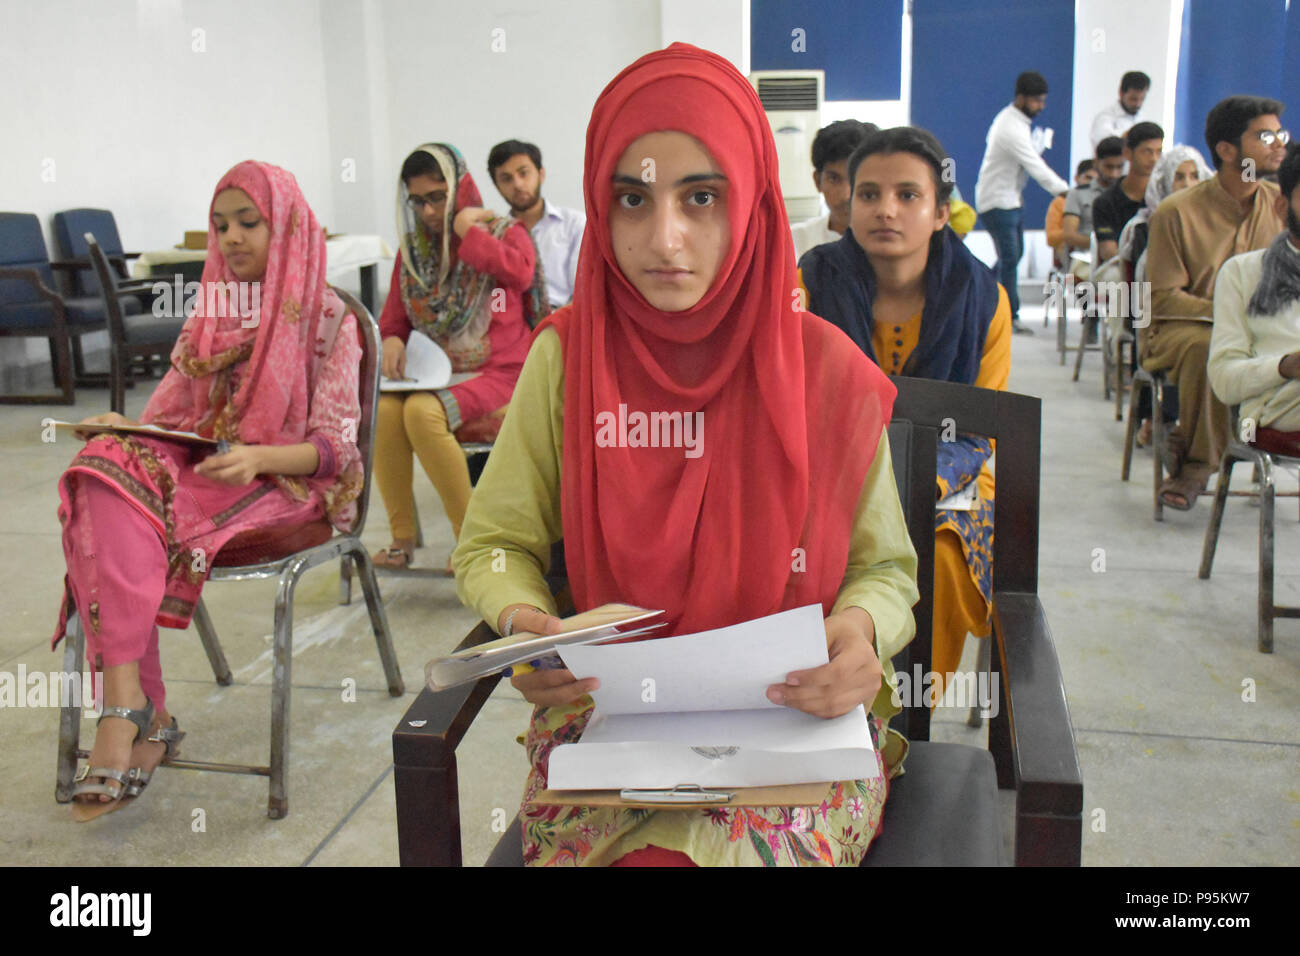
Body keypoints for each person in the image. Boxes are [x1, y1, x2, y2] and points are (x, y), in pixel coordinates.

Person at [452, 43, 919, 867]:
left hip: (795, 731)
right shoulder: (568, 361)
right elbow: (494, 545)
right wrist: (528, 628)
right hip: (613, 724)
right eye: (633, 198)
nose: (664, 238)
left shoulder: (827, 372)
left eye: (700, 197)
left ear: (754, 205)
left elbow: (887, 573)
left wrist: (857, 632)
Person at [54, 161, 366, 820]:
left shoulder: (329, 318)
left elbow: (337, 450)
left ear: (285, 225)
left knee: (121, 494)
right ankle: (132, 699)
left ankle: (135, 716)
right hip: (209, 469)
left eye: (248, 222)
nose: (231, 238)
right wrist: (124, 425)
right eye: (221, 225)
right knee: (102, 465)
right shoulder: (213, 312)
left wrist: (258, 456)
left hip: (284, 483)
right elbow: (169, 418)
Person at [798, 126, 1010, 700]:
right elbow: (789, 409)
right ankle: (821, 690)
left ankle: (907, 711)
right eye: (868, 194)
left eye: (907, 195)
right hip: (829, 474)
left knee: (942, 553)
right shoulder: (808, 284)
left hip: (953, 477)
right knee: (802, 548)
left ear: (942, 211)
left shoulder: (983, 299)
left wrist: (908, 485)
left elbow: (979, 430)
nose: (884, 210)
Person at [372, 144, 548, 570]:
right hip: (437, 372)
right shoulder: (414, 253)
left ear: (460, 190)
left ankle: (471, 540)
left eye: (438, 197)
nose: (430, 211)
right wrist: (392, 339)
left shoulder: (502, 231)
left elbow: (520, 274)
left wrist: (471, 234)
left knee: (421, 413)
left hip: (501, 370)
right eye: (419, 200)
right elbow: (394, 316)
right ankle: (402, 538)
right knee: (387, 411)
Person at [1142, 96, 1288, 510]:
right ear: (1227, 151)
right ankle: (1196, 465)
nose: (1278, 144)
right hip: (1180, 329)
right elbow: (1163, 298)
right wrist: (1229, 316)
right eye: (1265, 136)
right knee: (1211, 347)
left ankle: (1267, 446)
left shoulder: (1281, 206)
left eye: (1281, 134)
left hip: (1259, 328)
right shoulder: (1176, 212)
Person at [1209, 142, 1300, 455]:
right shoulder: (1243, 273)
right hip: (1273, 406)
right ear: (1282, 207)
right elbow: (1223, 380)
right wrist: (1285, 366)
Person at [1120, 145, 1212, 447]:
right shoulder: (1145, 228)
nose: (1188, 185)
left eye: (1195, 176)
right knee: (1195, 345)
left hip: (1207, 319)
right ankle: (1175, 429)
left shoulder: (1214, 227)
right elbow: (1142, 309)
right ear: (1164, 183)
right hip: (1159, 324)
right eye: (1180, 177)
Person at [975, 71, 1071, 335]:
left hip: (1010, 199)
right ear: (1021, 98)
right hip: (997, 201)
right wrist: (1065, 191)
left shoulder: (1017, 122)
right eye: (1037, 101)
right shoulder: (1009, 126)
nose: (1041, 106)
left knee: (1013, 256)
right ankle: (1009, 315)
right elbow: (1034, 165)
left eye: (1043, 100)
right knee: (1009, 258)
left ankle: (983, 295)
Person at [487, 139, 586, 308]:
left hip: (562, 321)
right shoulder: (494, 237)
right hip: (513, 325)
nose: (517, 184)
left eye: (523, 173)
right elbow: (497, 299)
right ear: (497, 186)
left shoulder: (574, 225)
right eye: (506, 179)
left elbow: (583, 290)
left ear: (541, 174)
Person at [790, 119, 876, 259]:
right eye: (834, 179)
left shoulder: (894, 244)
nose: (846, 195)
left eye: (855, 179)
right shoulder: (794, 242)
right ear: (818, 181)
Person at [1093, 121, 1165, 264]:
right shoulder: (1105, 202)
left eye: (1158, 152)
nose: (1154, 159)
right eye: (1147, 151)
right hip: (1122, 271)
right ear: (1127, 153)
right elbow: (1109, 252)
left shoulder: (1165, 196)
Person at [1061, 138, 1125, 278]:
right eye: (1109, 167)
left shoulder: (1129, 194)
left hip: (1125, 258)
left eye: (1119, 167)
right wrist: (1102, 244)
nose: (1114, 174)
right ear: (1097, 163)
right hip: (1087, 258)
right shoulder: (1078, 194)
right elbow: (1069, 235)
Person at [1046, 159, 1096, 258]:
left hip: (1096, 254)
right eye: (1088, 178)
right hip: (1070, 257)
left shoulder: (1104, 202)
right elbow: (1051, 238)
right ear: (1076, 178)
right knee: (1072, 269)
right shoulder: (1061, 201)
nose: (1091, 184)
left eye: (1096, 180)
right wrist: (1072, 231)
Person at [1090, 70, 1151, 149]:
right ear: (1121, 93)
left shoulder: (1142, 118)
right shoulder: (1104, 118)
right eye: (1133, 99)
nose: (1138, 104)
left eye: (1142, 99)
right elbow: (1105, 145)